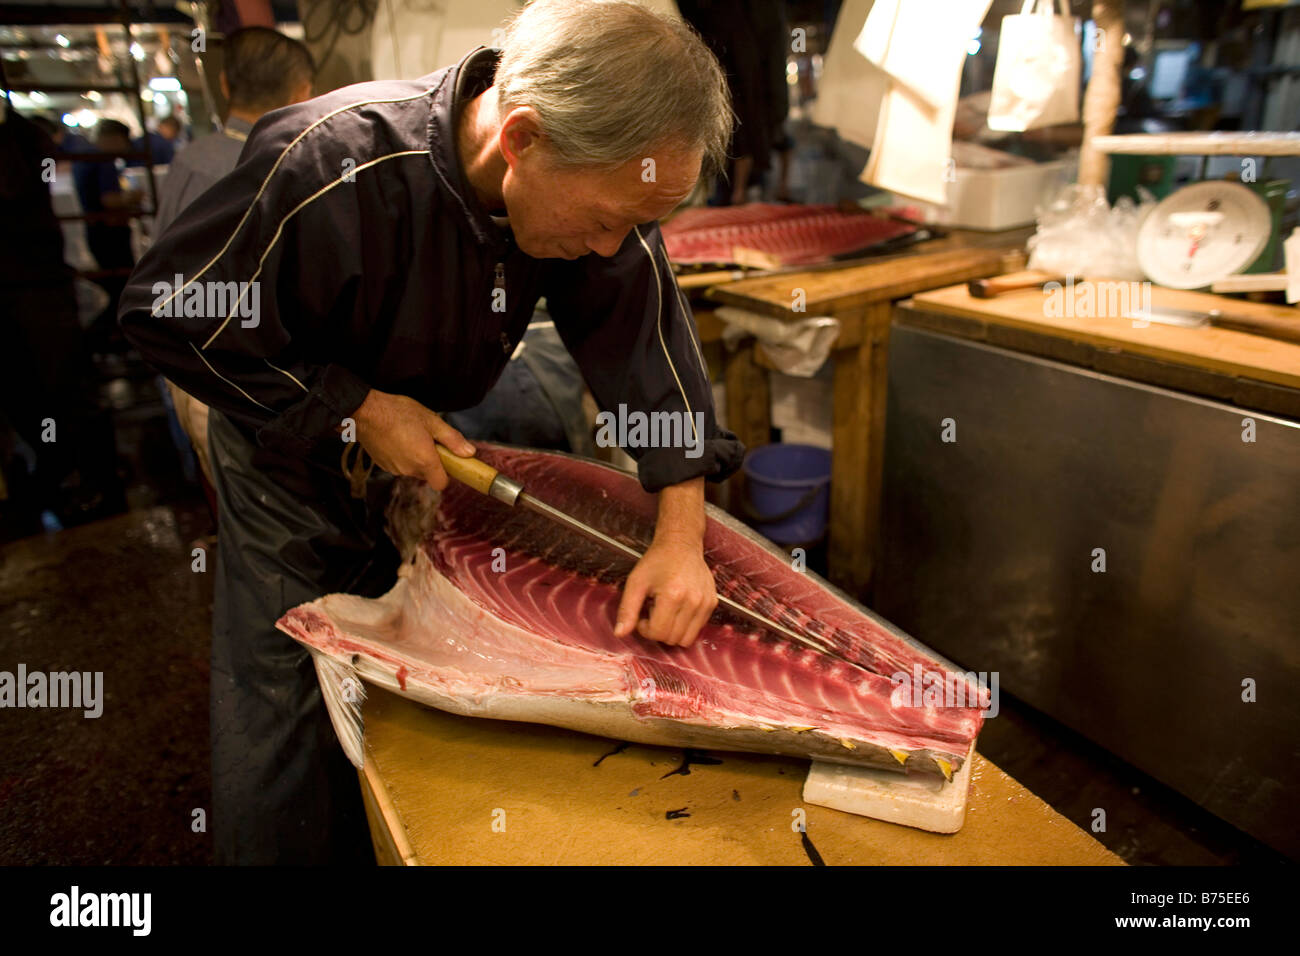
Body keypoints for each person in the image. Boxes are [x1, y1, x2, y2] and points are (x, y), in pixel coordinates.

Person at [119, 0, 743, 865]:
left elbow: (646, 346)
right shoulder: (330, 158)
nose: (615, 249)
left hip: (420, 453)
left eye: (635, 227)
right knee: (285, 705)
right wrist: (357, 406)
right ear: (520, 138)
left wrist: (682, 534)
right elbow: (167, 311)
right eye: (605, 222)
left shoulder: (599, 187)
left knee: (410, 697)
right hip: (286, 458)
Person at [151, 27, 316, 491]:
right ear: (304, 92)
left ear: (224, 85)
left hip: (191, 365)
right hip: (259, 382)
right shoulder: (297, 162)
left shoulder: (192, 159)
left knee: (228, 498)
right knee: (270, 511)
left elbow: (159, 279)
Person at [75, 119, 140, 352]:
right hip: (109, 233)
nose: (125, 147)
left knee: (118, 290)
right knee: (122, 291)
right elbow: (110, 199)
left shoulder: (84, 156)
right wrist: (133, 197)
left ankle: (106, 341)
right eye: (124, 141)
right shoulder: (102, 159)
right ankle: (93, 343)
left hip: (96, 232)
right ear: (114, 138)